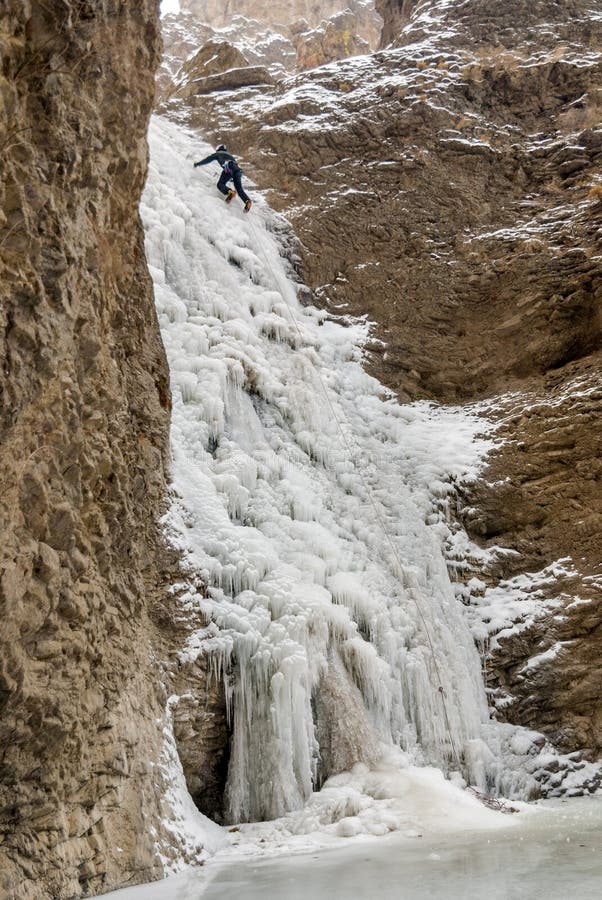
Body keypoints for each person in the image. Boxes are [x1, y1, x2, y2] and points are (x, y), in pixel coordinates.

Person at [193, 145, 252, 213]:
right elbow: (234, 168)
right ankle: (247, 201)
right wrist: (232, 178)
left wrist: (197, 164)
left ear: (218, 150)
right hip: (238, 171)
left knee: (220, 184)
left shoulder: (218, 154)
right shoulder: (231, 156)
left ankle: (230, 192)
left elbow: (207, 160)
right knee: (239, 189)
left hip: (228, 167)